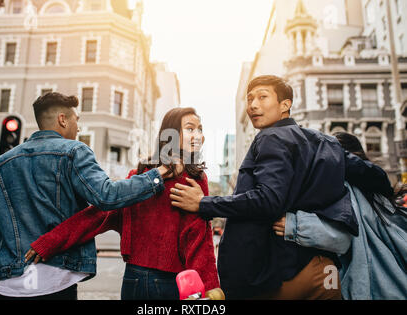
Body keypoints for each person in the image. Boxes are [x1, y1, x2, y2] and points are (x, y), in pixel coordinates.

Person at [169, 75, 391, 300]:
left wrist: (204, 203)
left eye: (262, 97)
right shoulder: (324, 142)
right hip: (325, 271)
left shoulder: (271, 137)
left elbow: (268, 200)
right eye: (249, 99)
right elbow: (377, 176)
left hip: (279, 276)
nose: (253, 105)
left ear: (285, 105)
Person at [0, 92, 173, 300]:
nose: (78, 127)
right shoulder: (74, 151)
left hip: (9, 285)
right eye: (76, 120)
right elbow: (107, 196)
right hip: (55, 280)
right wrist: (156, 176)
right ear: (62, 119)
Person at [23, 107, 220, 300]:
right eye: (190, 128)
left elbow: (96, 216)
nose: (198, 135)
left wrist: (48, 242)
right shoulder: (194, 179)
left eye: (200, 129)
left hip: (133, 280)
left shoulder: (140, 175)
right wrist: (211, 287)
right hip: (172, 282)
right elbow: (199, 239)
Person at [273, 132, 407, 300]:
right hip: (395, 282)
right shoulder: (374, 190)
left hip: (371, 288)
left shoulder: (345, 187)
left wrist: (294, 225)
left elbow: (342, 238)